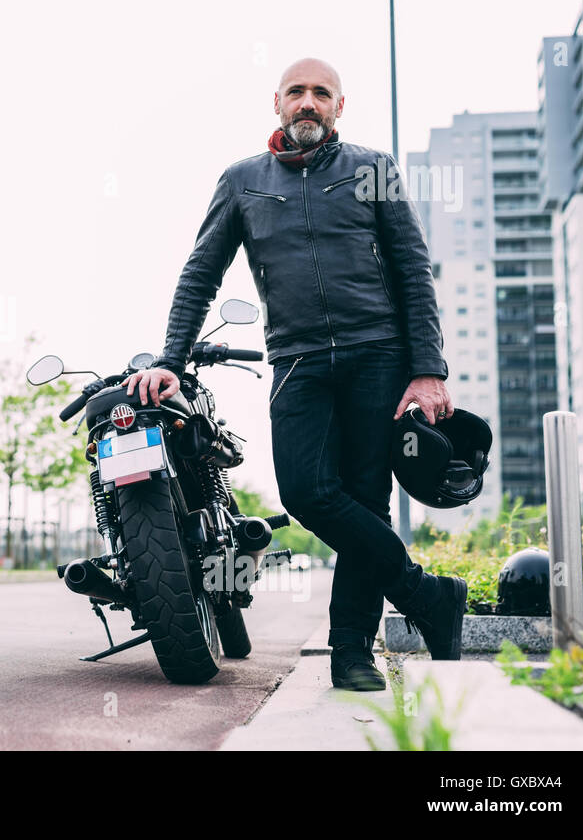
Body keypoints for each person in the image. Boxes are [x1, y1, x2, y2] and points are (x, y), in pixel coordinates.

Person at [124, 58, 468, 691]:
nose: (308, 102)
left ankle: (352, 653)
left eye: (321, 93)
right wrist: (170, 361)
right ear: (276, 103)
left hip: (378, 354)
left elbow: (413, 270)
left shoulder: (373, 170)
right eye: (296, 93)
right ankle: (427, 595)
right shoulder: (241, 182)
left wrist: (427, 370)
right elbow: (200, 275)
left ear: (340, 106)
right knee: (306, 493)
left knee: (366, 500)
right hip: (298, 361)